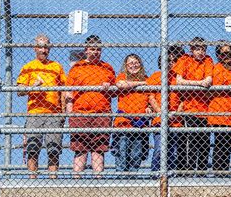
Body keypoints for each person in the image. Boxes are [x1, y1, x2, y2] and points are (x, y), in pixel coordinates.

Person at [65, 35, 116, 177]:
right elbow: (68, 91)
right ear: (86, 50)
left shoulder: (107, 68)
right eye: (92, 49)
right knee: (80, 149)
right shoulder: (77, 67)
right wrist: (70, 113)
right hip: (80, 113)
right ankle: (77, 180)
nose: (95, 52)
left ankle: (98, 180)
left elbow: (114, 92)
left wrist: (109, 87)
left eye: (98, 49)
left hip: (102, 112)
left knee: (98, 149)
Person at [16, 34, 66, 178]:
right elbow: (19, 91)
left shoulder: (56, 66)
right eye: (40, 47)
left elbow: (63, 91)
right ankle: (33, 179)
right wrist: (33, 86)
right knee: (32, 147)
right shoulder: (28, 67)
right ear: (35, 48)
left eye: (46, 47)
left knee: (54, 148)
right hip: (35, 112)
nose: (43, 50)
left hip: (54, 113)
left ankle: (53, 179)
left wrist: (63, 114)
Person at [172, 37, 214, 175]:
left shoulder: (208, 60)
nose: (200, 52)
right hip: (190, 108)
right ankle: (188, 173)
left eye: (202, 49)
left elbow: (208, 80)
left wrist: (197, 83)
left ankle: (201, 173)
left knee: (204, 144)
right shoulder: (185, 60)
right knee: (190, 142)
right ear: (191, 50)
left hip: (204, 109)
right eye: (197, 49)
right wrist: (199, 83)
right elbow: (179, 81)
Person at [113, 53, 152, 172]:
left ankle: (133, 178)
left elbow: (152, 95)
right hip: (124, 122)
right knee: (122, 152)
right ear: (126, 65)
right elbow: (121, 85)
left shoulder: (146, 78)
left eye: (136, 62)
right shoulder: (122, 76)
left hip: (140, 123)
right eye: (130, 63)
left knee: (137, 154)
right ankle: (121, 178)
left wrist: (149, 106)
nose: (133, 65)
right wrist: (141, 84)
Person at [149, 46, 183, 174]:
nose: (169, 63)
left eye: (171, 61)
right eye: (166, 60)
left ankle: (171, 174)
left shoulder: (176, 78)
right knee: (159, 148)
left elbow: (184, 98)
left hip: (175, 120)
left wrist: (177, 113)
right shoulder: (155, 76)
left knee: (173, 150)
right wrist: (161, 113)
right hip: (159, 119)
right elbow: (151, 97)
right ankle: (156, 173)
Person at [209, 43, 231, 176]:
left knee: (227, 145)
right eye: (223, 53)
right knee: (221, 145)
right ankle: (218, 174)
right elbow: (216, 86)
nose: (227, 56)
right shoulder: (217, 68)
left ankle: (224, 173)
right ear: (218, 55)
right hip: (219, 111)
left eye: (229, 53)